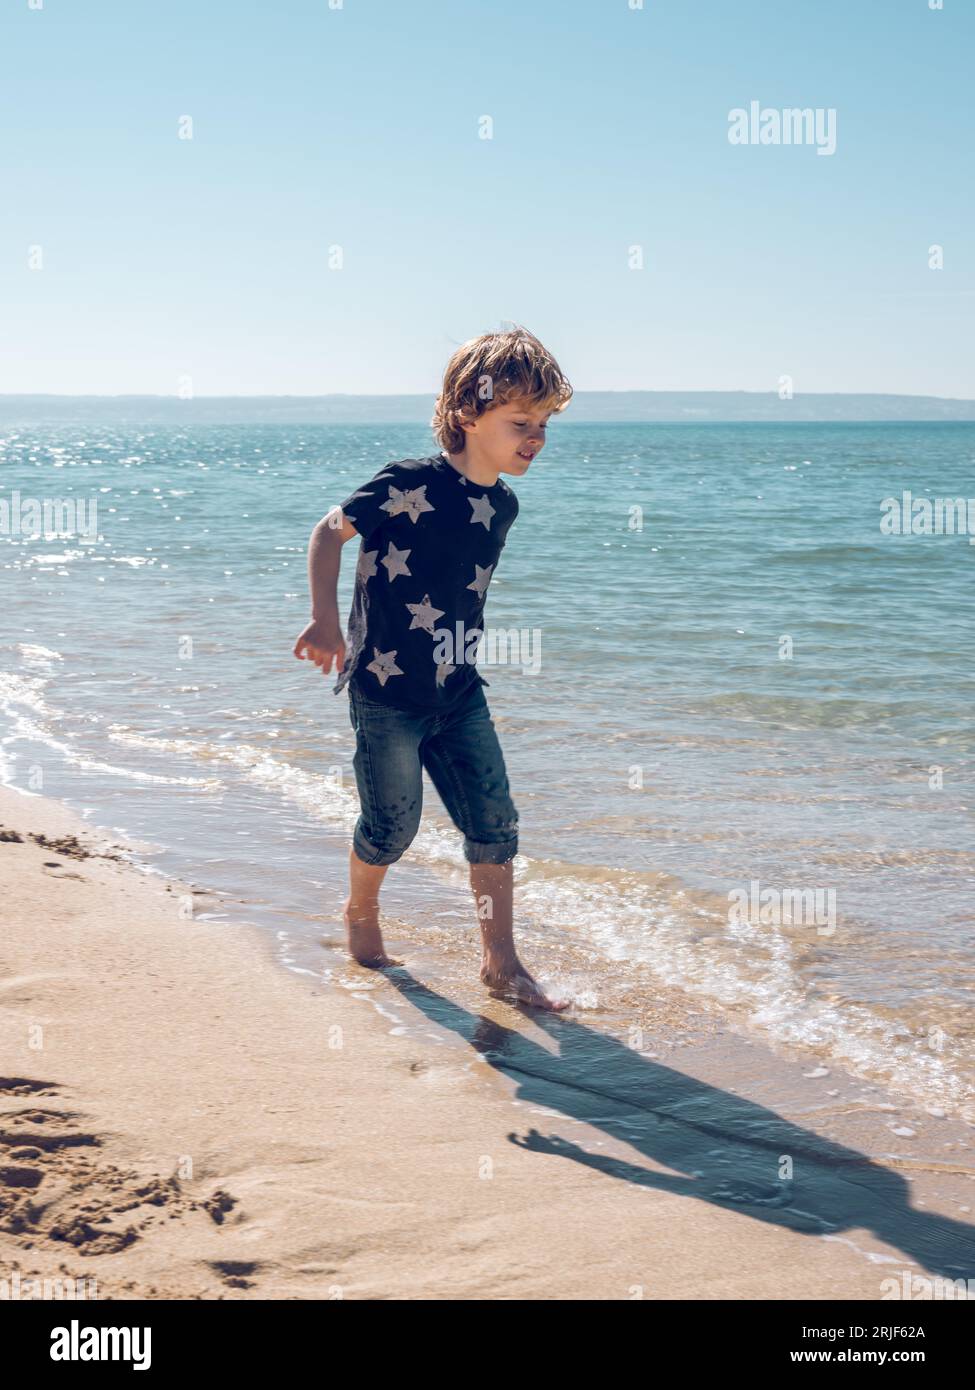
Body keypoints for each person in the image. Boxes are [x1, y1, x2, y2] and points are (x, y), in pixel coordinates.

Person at [294, 326, 572, 1009]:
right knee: (391, 826)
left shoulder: (502, 505)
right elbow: (329, 530)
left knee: (494, 823)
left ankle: (499, 962)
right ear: (466, 415)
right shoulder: (408, 483)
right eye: (518, 422)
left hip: (458, 690)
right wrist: (325, 621)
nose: (533, 437)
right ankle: (360, 911)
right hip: (386, 692)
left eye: (541, 423)